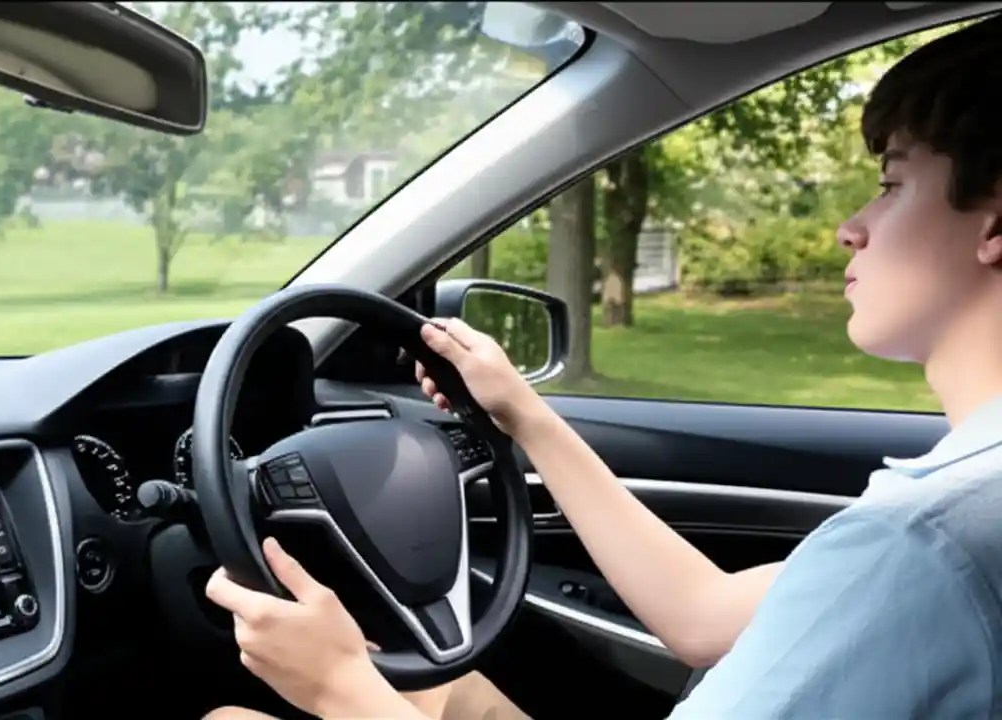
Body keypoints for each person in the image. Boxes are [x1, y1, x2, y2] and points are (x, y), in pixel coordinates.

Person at [203, 14, 1002, 719]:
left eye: (891, 184)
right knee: (443, 695)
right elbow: (705, 615)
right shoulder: (960, 514)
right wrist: (524, 415)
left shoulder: (920, 549)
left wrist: (344, 688)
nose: (849, 228)